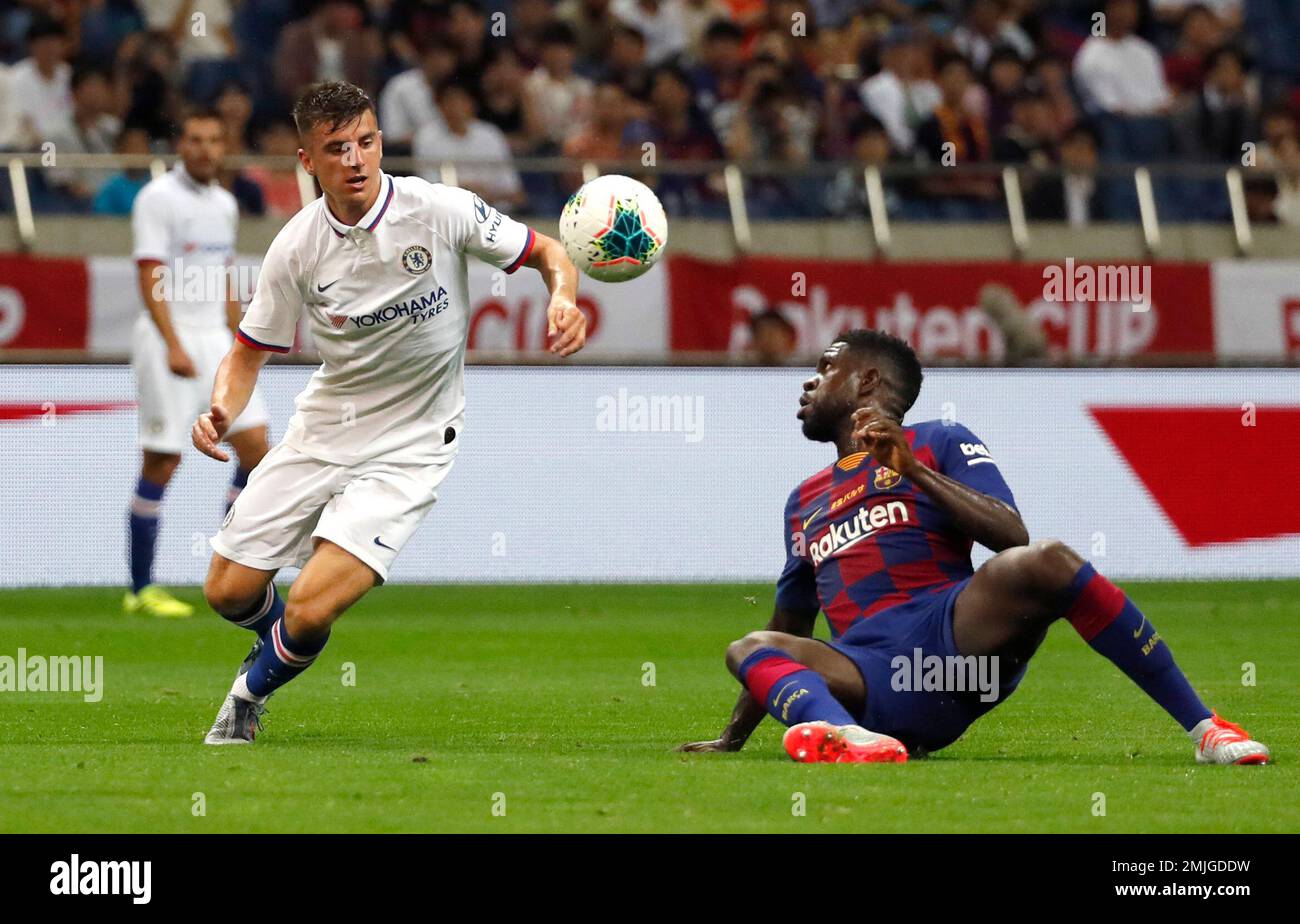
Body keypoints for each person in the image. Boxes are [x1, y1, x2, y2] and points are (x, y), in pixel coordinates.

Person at [194, 80, 586, 744]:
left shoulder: (441, 209)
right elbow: (246, 355)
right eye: (337, 148)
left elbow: (548, 252)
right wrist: (218, 410)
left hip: (411, 446)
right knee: (227, 590)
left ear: (381, 142)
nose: (356, 159)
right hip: (324, 428)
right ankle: (277, 644)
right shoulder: (297, 248)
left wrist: (564, 297)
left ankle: (247, 696)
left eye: (367, 142)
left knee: (314, 604)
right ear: (307, 161)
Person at [680, 330, 1270, 766]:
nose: (809, 381)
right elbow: (792, 622)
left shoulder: (938, 441)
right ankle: (850, 738)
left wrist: (912, 471)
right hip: (869, 675)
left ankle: (1206, 728)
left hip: (955, 642)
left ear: (866, 382)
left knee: (1049, 559)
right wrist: (734, 734)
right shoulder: (803, 500)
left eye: (825, 367)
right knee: (751, 644)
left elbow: (1009, 535)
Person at [126, 107, 271, 619]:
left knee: (256, 449)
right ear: (180, 145)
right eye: (194, 139)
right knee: (164, 460)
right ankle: (141, 588)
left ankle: (233, 569)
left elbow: (225, 273)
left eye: (214, 140)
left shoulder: (226, 203)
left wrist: (240, 341)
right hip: (170, 336)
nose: (205, 149)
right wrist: (172, 343)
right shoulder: (156, 198)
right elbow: (150, 274)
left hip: (214, 337)